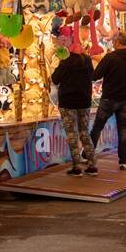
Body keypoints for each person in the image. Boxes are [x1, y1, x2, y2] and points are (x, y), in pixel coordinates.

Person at [90, 33, 126, 169]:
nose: (112, 43)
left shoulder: (110, 57)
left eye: (113, 41)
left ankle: (88, 155)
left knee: (97, 127)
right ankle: (123, 161)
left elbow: (95, 75)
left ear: (117, 42)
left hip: (109, 98)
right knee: (122, 130)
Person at [52, 45, 97, 175]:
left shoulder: (65, 61)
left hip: (68, 102)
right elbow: (93, 77)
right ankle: (92, 164)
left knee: (72, 134)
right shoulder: (87, 60)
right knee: (84, 132)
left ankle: (77, 166)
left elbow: (55, 79)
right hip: (84, 101)